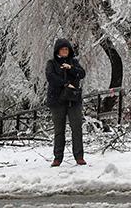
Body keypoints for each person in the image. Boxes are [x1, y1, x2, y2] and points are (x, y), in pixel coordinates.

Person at [45, 38, 86, 167]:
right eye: (62, 49)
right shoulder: (51, 63)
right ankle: (58, 157)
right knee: (59, 130)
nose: (65, 51)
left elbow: (82, 74)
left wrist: (71, 69)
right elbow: (51, 77)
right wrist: (66, 84)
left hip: (73, 100)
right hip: (57, 100)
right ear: (57, 50)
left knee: (76, 128)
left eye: (67, 49)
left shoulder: (73, 62)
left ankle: (79, 156)